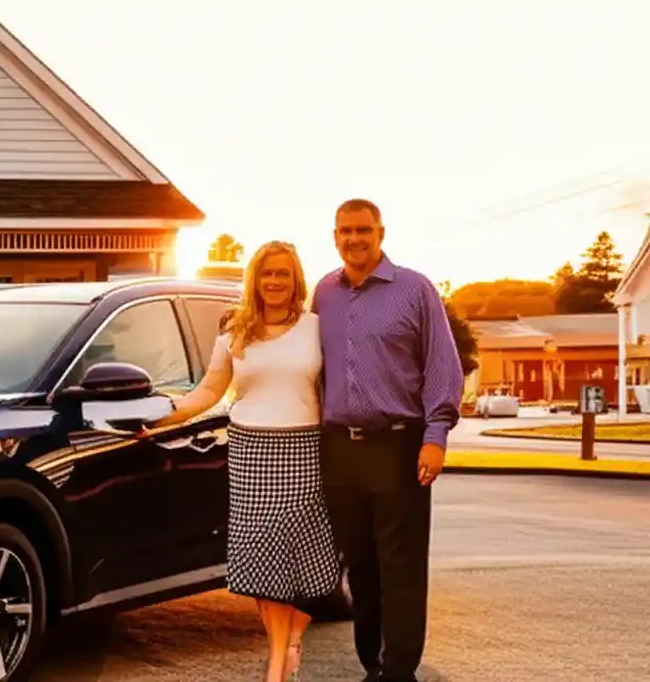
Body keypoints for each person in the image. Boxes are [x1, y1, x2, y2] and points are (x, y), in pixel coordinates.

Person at [148, 240, 341, 682]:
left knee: (308, 564)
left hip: (304, 451)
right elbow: (207, 393)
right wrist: (160, 417)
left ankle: (292, 638)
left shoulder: (317, 329)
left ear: (296, 281)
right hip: (251, 452)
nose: (275, 282)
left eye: (284, 274)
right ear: (254, 280)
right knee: (263, 561)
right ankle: (277, 665)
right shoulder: (235, 333)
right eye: (267, 273)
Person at [311, 198, 464, 682]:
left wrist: (435, 436)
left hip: (399, 444)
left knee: (400, 563)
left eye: (363, 229)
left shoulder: (415, 290)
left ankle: (399, 670)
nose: (354, 238)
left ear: (381, 232)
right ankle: (371, 663)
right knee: (359, 563)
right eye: (345, 230)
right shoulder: (324, 294)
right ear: (334, 236)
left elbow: (443, 366)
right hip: (340, 448)